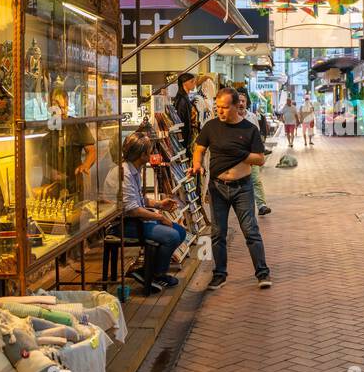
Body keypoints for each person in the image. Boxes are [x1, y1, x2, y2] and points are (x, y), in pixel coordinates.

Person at [192, 87, 271, 289]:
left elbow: (260, 160)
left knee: (250, 230)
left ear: (237, 106)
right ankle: (219, 274)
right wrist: (197, 165)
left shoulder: (249, 129)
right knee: (218, 233)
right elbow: (199, 148)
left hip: (242, 188)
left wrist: (239, 154)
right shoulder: (210, 127)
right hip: (217, 187)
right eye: (218, 107)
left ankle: (262, 273)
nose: (220, 111)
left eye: (225, 107)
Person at [105, 133, 186, 295]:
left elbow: (139, 200)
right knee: (172, 236)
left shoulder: (132, 169)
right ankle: (156, 274)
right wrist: (160, 217)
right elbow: (132, 209)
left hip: (135, 221)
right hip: (122, 225)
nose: (152, 154)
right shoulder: (124, 173)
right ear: (141, 155)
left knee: (180, 231)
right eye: (149, 151)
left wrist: (159, 205)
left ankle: (148, 271)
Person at [46, 87, 96, 197]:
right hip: (51, 183)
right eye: (55, 106)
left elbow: (92, 151)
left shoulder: (78, 125)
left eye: (61, 106)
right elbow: (37, 157)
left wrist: (85, 166)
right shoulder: (46, 128)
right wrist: (49, 171)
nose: (59, 110)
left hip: (74, 181)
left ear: (67, 104)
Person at [237, 90, 271, 216]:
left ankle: (262, 205)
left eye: (243, 101)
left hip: (252, 154)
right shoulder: (231, 117)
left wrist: (260, 153)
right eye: (239, 101)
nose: (241, 103)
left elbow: (257, 135)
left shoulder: (252, 117)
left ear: (246, 103)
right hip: (237, 157)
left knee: (256, 179)